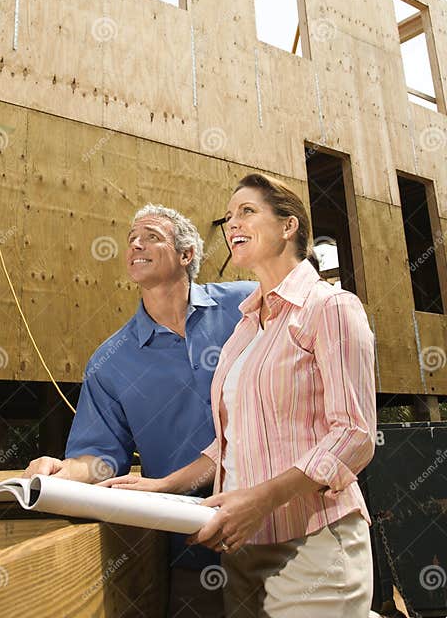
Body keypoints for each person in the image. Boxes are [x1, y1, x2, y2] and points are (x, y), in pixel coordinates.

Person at [103, 175, 377, 618]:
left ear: (288, 226)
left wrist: (261, 500)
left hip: (313, 545)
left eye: (246, 211)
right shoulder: (245, 327)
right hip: (242, 550)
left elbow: (355, 436)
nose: (232, 224)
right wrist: (164, 485)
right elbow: (229, 442)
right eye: (229, 216)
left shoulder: (331, 308)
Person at [24, 203, 257, 617]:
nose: (135, 243)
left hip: (281, 531)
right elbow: (100, 459)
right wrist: (64, 472)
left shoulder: (246, 307)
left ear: (186, 256)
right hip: (194, 550)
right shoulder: (111, 361)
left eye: (151, 236)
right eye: (131, 237)